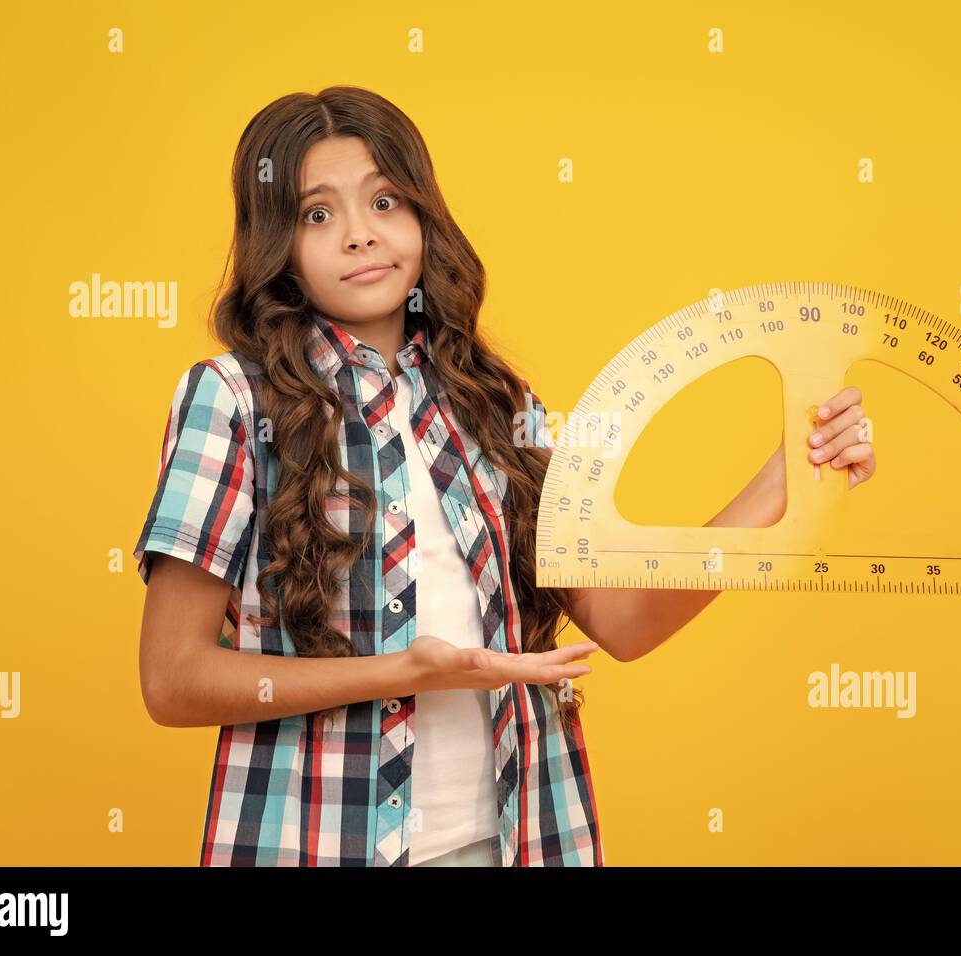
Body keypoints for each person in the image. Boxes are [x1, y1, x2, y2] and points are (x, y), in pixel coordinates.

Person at [133, 86, 877, 868]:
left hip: (517, 843)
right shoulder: (233, 398)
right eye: (319, 214)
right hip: (311, 848)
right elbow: (173, 680)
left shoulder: (499, 405)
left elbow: (620, 623)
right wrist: (402, 673)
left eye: (385, 200)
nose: (360, 235)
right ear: (278, 244)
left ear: (423, 216)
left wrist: (781, 483)